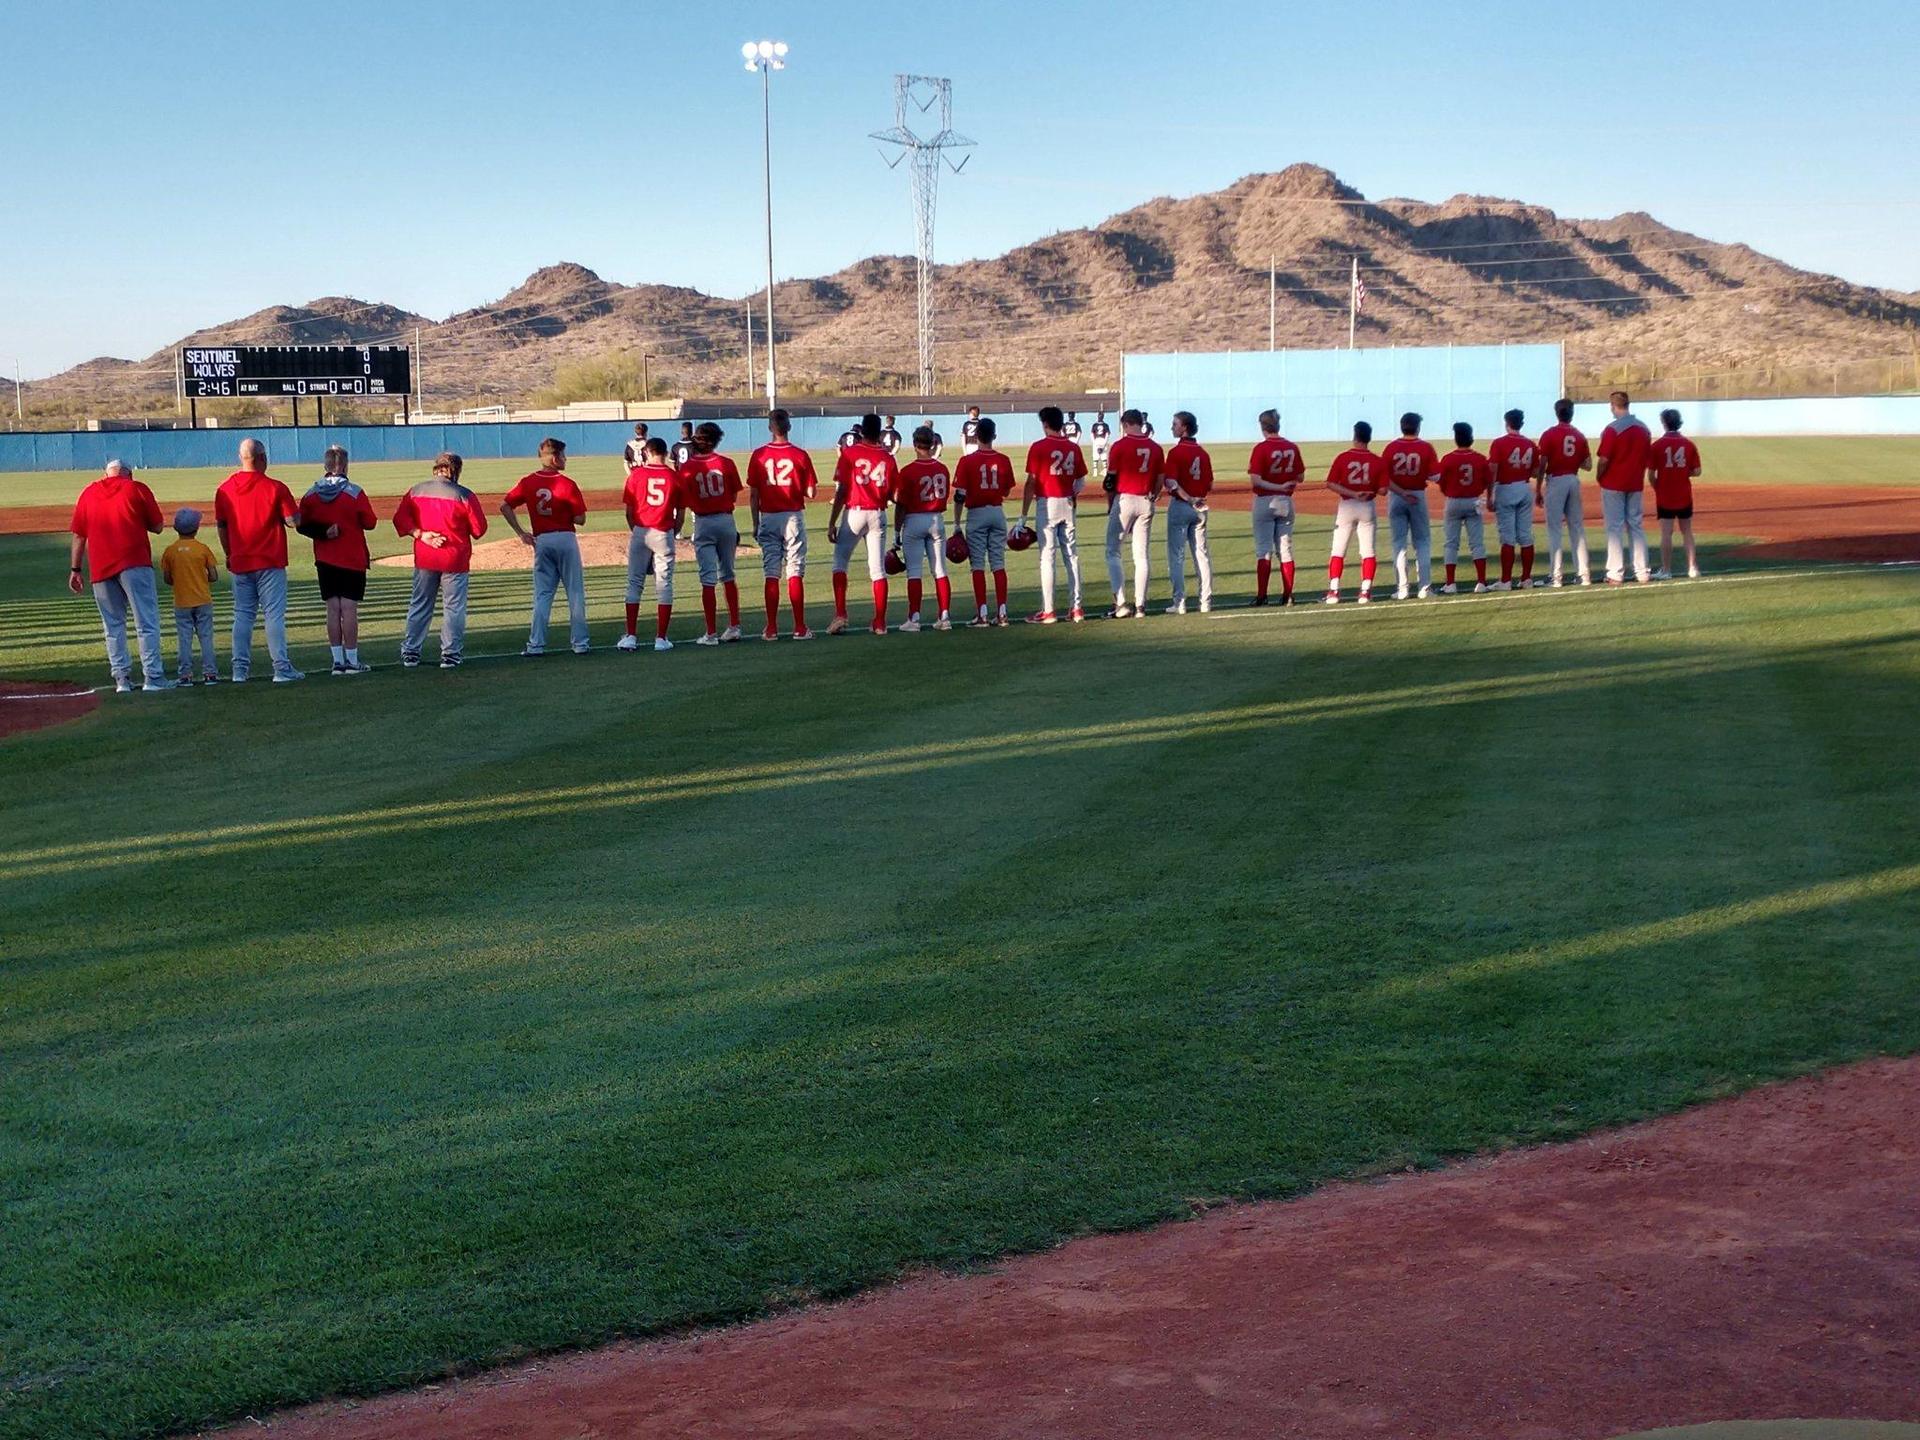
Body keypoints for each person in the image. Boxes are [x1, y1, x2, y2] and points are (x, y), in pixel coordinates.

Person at [69, 458, 169, 692]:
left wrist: (75, 569)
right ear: (129, 475)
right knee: (146, 622)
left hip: (101, 566)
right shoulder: (137, 488)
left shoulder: (89, 493)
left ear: (106, 474)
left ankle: (122, 680)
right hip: (134, 562)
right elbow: (157, 526)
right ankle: (153, 677)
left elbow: (78, 536)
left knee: (113, 625)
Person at [215, 438, 303, 682]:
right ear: (262, 458)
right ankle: (281, 668)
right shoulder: (275, 487)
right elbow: (293, 522)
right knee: (273, 615)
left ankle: (239, 671)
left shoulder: (225, 488)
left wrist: (229, 553)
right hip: (270, 560)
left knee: (243, 615)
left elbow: (221, 526)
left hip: (241, 560)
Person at [393, 452, 489, 669]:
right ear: (456, 470)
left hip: (426, 556)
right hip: (455, 558)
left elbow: (399, 519)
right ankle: (450, 654)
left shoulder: (416, 491)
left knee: (420, 604)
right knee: (453, 608)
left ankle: (410, 652)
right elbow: (479, 530)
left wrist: (420, 533)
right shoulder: (463, 495)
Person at [501, 437, 591, 655]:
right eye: (563, 455)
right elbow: (580, 519)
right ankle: (579, 643)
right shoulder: (566, 483)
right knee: (575, 593)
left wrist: (521, 533)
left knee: (542, 595)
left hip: (542, 540)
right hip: (565, 539)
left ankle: (536, 645)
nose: (565, 459)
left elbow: (505, 506)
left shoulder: (528, 482)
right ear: (554, 457)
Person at [297, 445, 379, 674]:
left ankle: (337, 661)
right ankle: (352, 660)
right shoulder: (354, 492)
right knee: (349, 609)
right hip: (352, 557)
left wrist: (323, 531)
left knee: (332, 609)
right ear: (344, 465)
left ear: (325, 465)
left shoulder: (311, 494)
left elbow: (299, 524)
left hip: (324, 558)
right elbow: (370, 522)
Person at [746, 408, 818, 641]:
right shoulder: (800, 455)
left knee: (771, 572)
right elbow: (811, 492)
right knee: (794, 570)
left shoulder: (758, 455)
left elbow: (754, 494)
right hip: (792, 516)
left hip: (768, 516)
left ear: (770, 427)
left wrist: (755, 523)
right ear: (789, 426)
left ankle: (771, 628)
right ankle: (799, 627)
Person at [826, 413, 899, 635]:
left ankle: (840, 615)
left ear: (861, 432)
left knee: (840, 563)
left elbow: (842, 491)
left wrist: (832, 522)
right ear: (879, 432)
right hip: (877, 512)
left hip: (855, 512)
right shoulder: (888, 458)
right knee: (877, 570)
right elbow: (895, 494)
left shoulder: (850, 453)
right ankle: (879, 622)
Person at [1017, 405, 1089, 624]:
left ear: (1045, 424)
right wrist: (1071, 494)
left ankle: (1048, 611)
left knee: (1047, 557)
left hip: (1046, 503)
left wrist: (1023, 515)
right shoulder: (1073, 447)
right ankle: (1076, 608)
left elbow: (1031, 482)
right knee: (1071, 555)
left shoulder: (1038, 447)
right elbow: (1081, 481)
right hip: (1067, 502)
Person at [678, 421, 745, 646]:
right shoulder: (726, 463)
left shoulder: (686, 467)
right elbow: (734, 495)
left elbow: (684, 500)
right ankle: (734, 626)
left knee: (707, 578)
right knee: (728, 574)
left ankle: (711, 633)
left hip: (704, 522)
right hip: (726, 520)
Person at [951, 416, 1016, 627]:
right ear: (994, 436)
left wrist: (957, 523)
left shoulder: (967, 461)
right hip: (997, 512)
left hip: (976, 514)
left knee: (977, 565)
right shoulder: (1004, 459)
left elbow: (959, 495)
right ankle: (1003, 613)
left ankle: (982, 614)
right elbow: (1006, 489)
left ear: (976, 435)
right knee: (998, 563)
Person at [618, 437, 681, 652]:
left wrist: (636, 530)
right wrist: (674, 531)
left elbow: (628, 511)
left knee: (634, 583)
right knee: (664, 584)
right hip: (664, 531)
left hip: (641, 530)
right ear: (665, 453)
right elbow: (680, 513)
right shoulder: (674, 477)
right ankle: (661, 638)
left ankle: (631, 636)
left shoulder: (636, 475)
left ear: (647, 452)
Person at [893, 426, 954, 631]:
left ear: (914, 444)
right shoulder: (943, 468)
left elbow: (901, 504)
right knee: (940, 571)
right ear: (933, 443)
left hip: (914, 519)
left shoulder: (908, 470)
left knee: (914, 572)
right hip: (936, 519)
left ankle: (914, 618)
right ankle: (944, 616)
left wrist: (896, 532)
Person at [1102, 409, 1162, 619]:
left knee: (1113, 551)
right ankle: (1140, 606)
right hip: (1146, 500)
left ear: (1126, 424)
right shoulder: (1155, 447)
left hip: (1125, 499)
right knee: (1141, 555)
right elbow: (1160, 477)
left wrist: (1111, 504)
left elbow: (1110, 481)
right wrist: (1154, 494)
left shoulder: (1119, 445)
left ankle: (1120, 603)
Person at [1323, 421, 1387, 605]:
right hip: (1367, 506)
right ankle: (1365, 592)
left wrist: (1352, 492)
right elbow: (1383, 490)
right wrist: (1369, 490)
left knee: (1338, 549)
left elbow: (1331, 483)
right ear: (1369, 437)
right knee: (1368, 551)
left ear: (1355, 436)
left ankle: (1333, 591)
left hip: (1347, 505)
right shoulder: (1377, 460)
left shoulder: (1343, 457)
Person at [1596, 390, 1654, 585]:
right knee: (1636, 526)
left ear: (1613, 406)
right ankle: (1643, 572)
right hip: (1635, 483)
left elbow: (1604, 459)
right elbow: (1648, 458)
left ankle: (1615, 572)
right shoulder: (1644, 429)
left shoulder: (1612, 429)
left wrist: (1599, 476)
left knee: (1614, 528)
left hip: (1613, 483)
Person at [1248, 409, 1304, 605]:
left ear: (1263, 427)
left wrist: (1276, 485)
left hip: (1265, 501)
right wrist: (1283, 484)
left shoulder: (1260, 449)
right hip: (1285, 501)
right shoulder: (1292, 447)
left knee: (1264, 550)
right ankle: (1288, 594)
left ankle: (1262, 595)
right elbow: (1300, 477)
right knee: (1285, 550)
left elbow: (1256, 480)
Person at [1381, 412, 1439, 600]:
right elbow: (1435, 476)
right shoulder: (1425, 448)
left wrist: (1401, 492)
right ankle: (1424, 588)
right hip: (1417, 495)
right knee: (1422, 542)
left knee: (1399, 544)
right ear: (1417, 427)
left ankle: (1402, 589)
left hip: (1396, 496)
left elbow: (1384, 478)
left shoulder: (1391, 448)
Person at [1162, 410, 1215, 614]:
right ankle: (1205, 601)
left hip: (1182, 505)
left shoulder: (1176, 453)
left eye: (1175, 424)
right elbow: (1209, 483)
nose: (1172, 427)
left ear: (1184, 427)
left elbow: (1172, 483)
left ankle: (1179, 602)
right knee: (1201, 554)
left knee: (1177, 555)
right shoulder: (1203, 453)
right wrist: (1196, 496)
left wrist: (1188, 497)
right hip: (1201, 506)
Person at [1536, 398, 1592, 587]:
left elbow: (1542, 464)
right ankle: (1584, 575)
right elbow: (1588, 465)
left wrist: (1538, 489)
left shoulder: (1549, 434)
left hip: (1556, 481)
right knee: (1577, 528)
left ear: (1556, 412)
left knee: (1555, 530)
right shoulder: (1579, 435)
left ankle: (1556, 576)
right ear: (1572, 413)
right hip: (1573, 480)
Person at [160, 507, 219, 684]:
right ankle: (210, 673)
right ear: (197, 528)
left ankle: (185, 675)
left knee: (184, 639)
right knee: (206, 637)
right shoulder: (202, 549)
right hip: (203, 599)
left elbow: (167, 579)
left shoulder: (170, 551)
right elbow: (214, 576)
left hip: (182, 601)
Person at [1436, 423, 1495, 593]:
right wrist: (1487, 495)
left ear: (1456, 438)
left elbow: (1442, 483)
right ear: (1471, 438)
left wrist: (1449, 491)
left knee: (1451, 544)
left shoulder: (1448, 458)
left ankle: (1450, 583)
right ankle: (1482, 583)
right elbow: (1488, 481)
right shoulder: (1480, 458)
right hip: (1473, 501)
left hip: (1453, 501)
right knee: (1477, 543)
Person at [1488, 409, 1540, 590]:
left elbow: (1493, 469)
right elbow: (1535, 471)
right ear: (1521, 423)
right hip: (1525, 487)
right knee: (1525, 535)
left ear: (1506, 423)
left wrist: (1489, 494)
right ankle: (1526, 579)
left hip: (1506, 488)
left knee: (1507, 537)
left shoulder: (1499, 443)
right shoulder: (1531, 445)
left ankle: (1506, 580)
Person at [1651, 409, 1703, 580]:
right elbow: (1697, 471)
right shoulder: (1689, 444)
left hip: (1665, 495)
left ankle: (1666, 570)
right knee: (1687, 531)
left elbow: (1651, 475)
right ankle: (1693, 568)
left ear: (1664, 423)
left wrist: (1657, 487)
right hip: (1684, 494)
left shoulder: (1657, 445)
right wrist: (1682, 473)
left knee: (1666, 533)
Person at [1089, 410, 1112, 481]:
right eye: (1099, 415)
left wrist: (1096, 443)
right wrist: (1097, 443)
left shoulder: (1096, 425)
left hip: (1100, 440)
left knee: (1101, 456)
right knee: (1098, 456)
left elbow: (1092, 434)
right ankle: (1096, 472)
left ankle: (1103, 471)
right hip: (1100, 440)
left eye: (1101, 415)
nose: (1100, 417)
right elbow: (1093, 434)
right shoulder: (1104, 425)